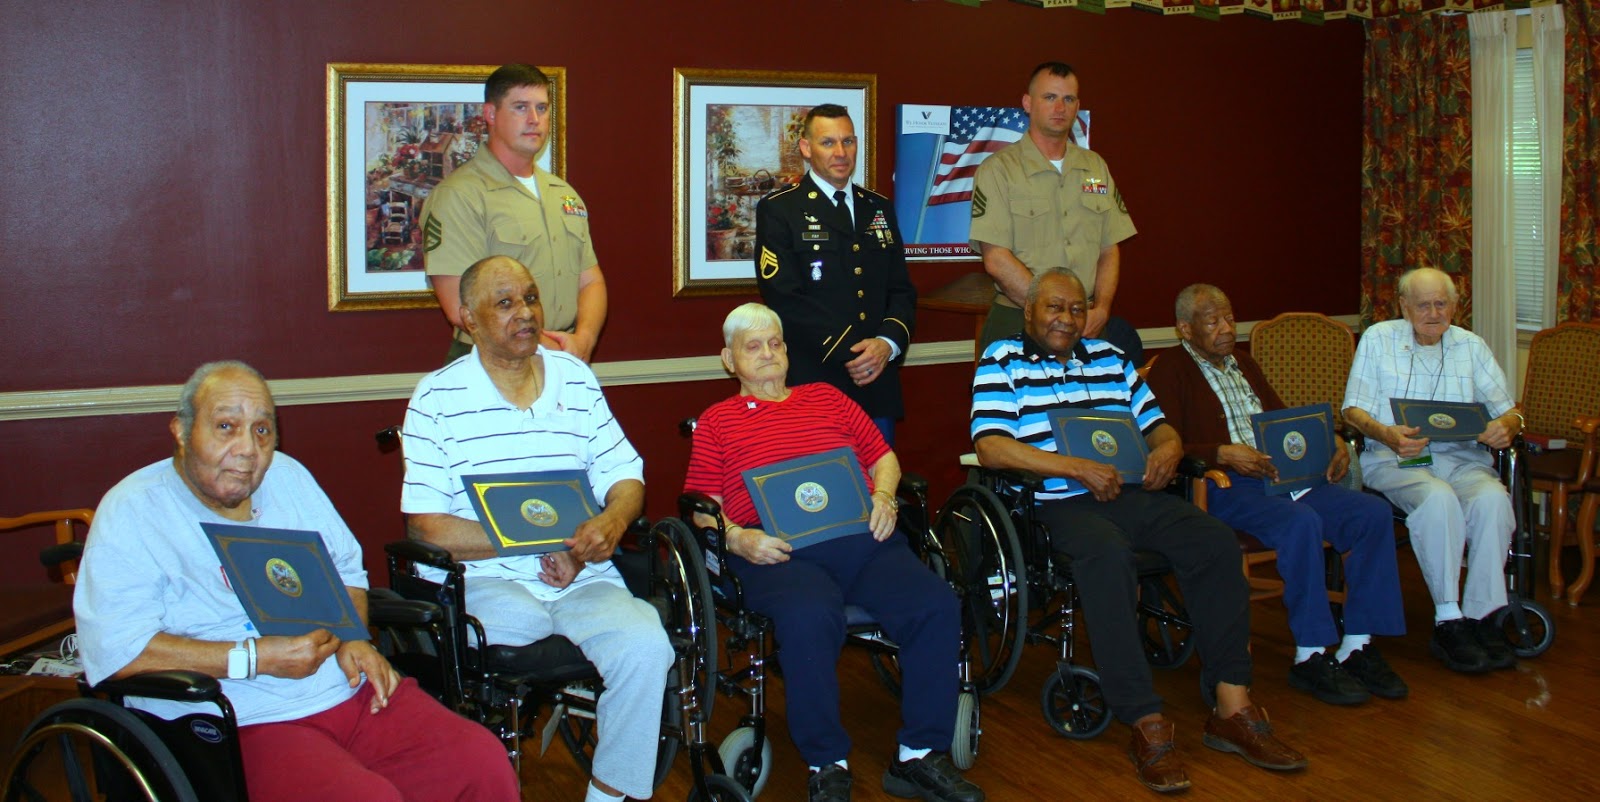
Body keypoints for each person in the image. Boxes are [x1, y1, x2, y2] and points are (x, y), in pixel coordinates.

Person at [74, 361, 518, 802]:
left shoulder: (287, 477)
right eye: (226, 427)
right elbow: (118, 650)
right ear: (181, 431)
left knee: (480, 761)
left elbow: (346, 570)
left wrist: (353, 637)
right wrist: (253, 658)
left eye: (262, 431)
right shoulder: (133, 510)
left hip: (346, 690)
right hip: (239, 719)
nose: (247, 449)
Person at [971, 268, 1305, 794]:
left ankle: (1232, 706)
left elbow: (1158, 425)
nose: (1066, 319)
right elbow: (991, 447)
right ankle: (1145, 720)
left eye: (1077, 308)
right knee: (1108, 556)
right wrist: (1075, 468)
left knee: (1214, 542)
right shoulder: (1002, 359)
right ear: (1030, 311)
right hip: (1057, 503)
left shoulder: (1110, 357)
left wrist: (1169, 449)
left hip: (1131, 493)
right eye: (1054, 307)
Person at [683, 303, 983, 802]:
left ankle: (917, 755)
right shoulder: (718, 422)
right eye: (753, 346)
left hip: (859, 537)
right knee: (809, 615)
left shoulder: (827, 397)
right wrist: (738, 538)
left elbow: (884, 458)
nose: (768, 353)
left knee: (935, 604)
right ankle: (827, 762)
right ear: (728, 360)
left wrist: (884, 497)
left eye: (775, 343)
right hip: (778, 550)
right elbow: (701, 508)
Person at [401, 256, 671, 802]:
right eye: (504, 303)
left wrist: (611, 522)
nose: (525, 313)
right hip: (487, 579)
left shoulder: (575, 377)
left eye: (530, 297)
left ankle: (609, 795)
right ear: (468, 319)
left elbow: (625, 475)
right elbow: (426, 527)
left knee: (647, 644)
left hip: (583, 574)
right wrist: (544, 539)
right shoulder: (436, 398)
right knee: (518, 621)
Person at [1144, 284, 1408, 705]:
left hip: (1280, 477)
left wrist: (1330, 439)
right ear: (1185, 329)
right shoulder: (1170, 371)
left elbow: (1284, 421)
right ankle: (1310, 653)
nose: (1226, 328)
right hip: (1223, 485)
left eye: (1229, 318)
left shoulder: (1244, 363)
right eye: (1213, 321)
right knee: (1300, 523)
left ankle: (1357, 644)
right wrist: (1221, 452)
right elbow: (1161, 445)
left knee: (1371, 514)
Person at [1342, 267, 1524, 674]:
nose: (1434, 313)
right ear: (1404, 307)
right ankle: (1448, 619)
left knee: (1493, 502)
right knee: (1437, 499)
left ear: (1455, 307)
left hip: (1462, 459)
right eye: (1423, 305)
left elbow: (1510, 410)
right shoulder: (1378, 339)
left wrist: (1508, 425)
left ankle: (1482, 616)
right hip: (1395, 459)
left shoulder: (1470, 346)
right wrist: (1387, 434)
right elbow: (1352, 411)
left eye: (1442, 304)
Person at [421, 63, 607, 364]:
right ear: (491, 114)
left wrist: (584, 340)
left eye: (542, 108)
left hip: (566, 360)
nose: (534, 119)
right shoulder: (460, 195)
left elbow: (591, 282)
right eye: (521, 107)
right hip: (494, 363)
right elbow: (460, 306)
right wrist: (556, 349)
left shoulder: (563, 194)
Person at [755, 104, 916, 444]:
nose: (841, 153)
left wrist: (886, 344)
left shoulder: (878, 207)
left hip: (877, 380)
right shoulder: (781, 209)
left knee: (882, 477)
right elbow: (783, 296)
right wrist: (851, 352)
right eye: (828, 142)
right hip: (817, 379)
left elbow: (901, 289)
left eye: (848, 141)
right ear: (806, 148)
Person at [968, 61, 1141, 363]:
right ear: (1027, 103)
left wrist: (1101, 308)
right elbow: (996, 259)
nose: (1060, 108)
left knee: (1095, 395)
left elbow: (1109, 248)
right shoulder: (998, 170)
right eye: (1049, 97)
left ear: (1077, 107)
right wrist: (1052, 312)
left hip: (1088, 326)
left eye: (1068, 99)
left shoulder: (1095, 167)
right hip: (1019, 320)